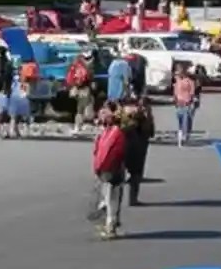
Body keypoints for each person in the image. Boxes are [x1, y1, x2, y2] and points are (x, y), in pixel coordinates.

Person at [91, 102, 127, 240]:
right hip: (107, 169)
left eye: (104, 113)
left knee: (111, 198)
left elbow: (112, 153)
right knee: (109, 198)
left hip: (111, 169)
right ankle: (110, 223)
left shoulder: (116, 133)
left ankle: (110, 226)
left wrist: (102, 167)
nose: (101, 116)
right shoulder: (108, 131)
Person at [121, 98, 155, 206]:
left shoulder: (122, 115)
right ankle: (132, 199)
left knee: (118, 175)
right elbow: (150, 132)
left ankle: (111, 199)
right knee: (136, 174)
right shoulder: (145, 116)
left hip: (122, 147)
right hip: (139, 147)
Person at [66, 50, 97, 134]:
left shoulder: (75, 64)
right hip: (85, 88)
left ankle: (77, 126)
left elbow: (69, 76)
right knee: (82, 107)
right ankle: (80, 126)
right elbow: (90, 78)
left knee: (79, 108)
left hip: (75, 88)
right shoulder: (89, 65)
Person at [172, 65, 198, 147]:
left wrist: (191, 100)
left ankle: (185, 135)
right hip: (179, 103)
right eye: (177, 71)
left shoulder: (190, 81)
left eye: (179, 71)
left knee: (186, 120)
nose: (177, 73)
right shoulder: (177, 81)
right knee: (180, 120)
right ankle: (182, 135)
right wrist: (175, 100)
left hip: (187, 103)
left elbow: (192, 92)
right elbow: (175, 92)